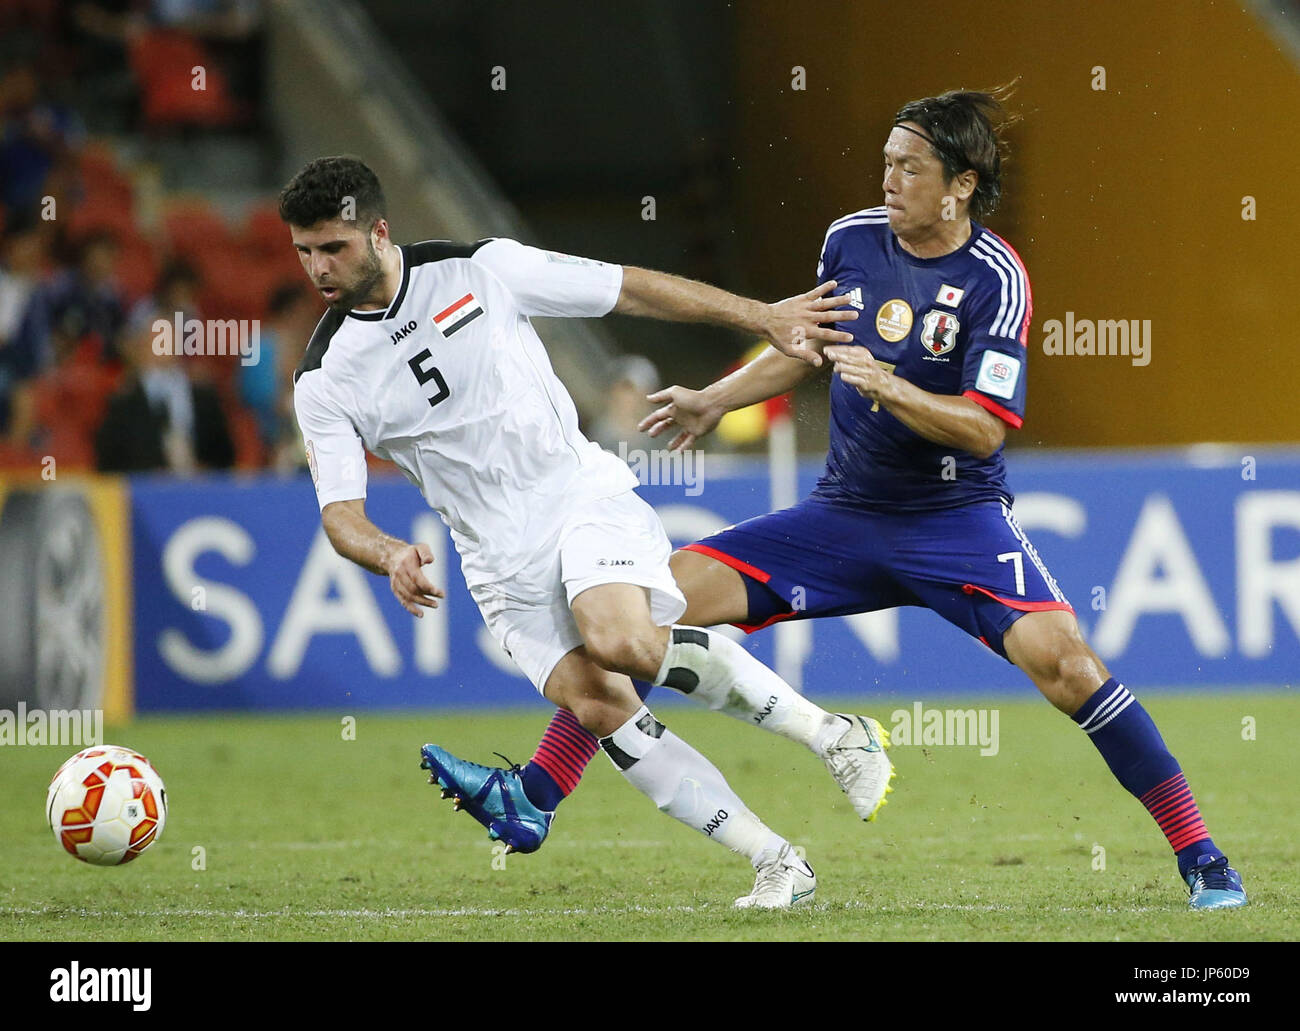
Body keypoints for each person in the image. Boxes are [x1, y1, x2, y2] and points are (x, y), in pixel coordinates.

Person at [425, 88, 1248, 912]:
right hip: (840, 515)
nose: (889, 179)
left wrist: (890, 386)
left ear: (960, 185)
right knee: (635, 619)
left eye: (910, 166)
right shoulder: (851, 240)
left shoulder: (997, 278)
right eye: (886, 161)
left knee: (1070, 667)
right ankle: (535, 791)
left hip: (952, 520)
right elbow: (807, 347)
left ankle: (1203, 857)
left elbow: (986, 430)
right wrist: (721, 398)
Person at [281, 155, 894, 909]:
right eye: (304, 251)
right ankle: (778, 862)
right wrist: (388, 552)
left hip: (576, 496)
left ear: (377, 230)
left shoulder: (483, 268)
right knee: (602, 706)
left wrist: (762, 315)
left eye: (332, 247)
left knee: (621, 639)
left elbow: (627, 287)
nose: (319, 267)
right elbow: (340, 512)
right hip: (496, 563)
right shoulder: (324, 378)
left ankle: (835, 735)